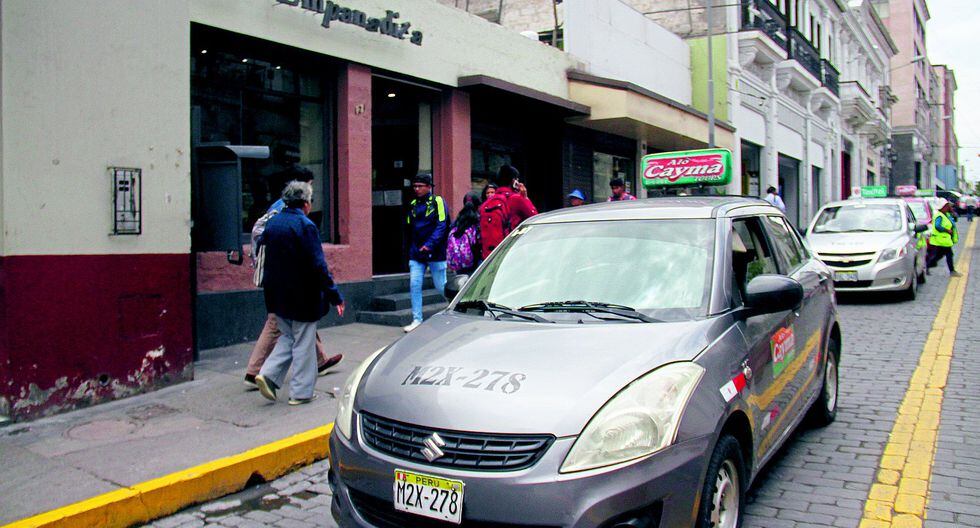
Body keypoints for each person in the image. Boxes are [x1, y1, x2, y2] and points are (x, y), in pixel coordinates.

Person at [245, 172, 341, 390]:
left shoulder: (273, 221)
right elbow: (318, 264)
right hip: (300, 291)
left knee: (290, 335)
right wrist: (334, 295)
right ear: (305, 202)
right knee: (299, 337)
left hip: (276, 288)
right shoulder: (304, 225)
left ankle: (269, 375)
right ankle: (294, 389)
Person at [404, 172, 450, 333]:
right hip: (417, 253)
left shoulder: (438, 201)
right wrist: (411, 248)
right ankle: (417, 319)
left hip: (435, 252)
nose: (416, 189)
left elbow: (442, 225)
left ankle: (456, 310)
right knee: (414, 284)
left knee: (441, 286)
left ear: (429, 187)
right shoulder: (413, 204)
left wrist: (430, 244)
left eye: (420, 186)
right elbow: (409, 228)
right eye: (414, 186)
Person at [479, 165, 538, 258]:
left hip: (490, 256)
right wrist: (525, 197)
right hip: (512, 252)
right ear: (514, 181)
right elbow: (535, 218)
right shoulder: (517, 199)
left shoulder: (486, 203)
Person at [446, 191, 483, 276]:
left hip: (458, 262)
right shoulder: (477, 219)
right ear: (478, 204)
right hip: (474, 260)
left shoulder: (458, 219)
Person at [926, 198, 962, 277]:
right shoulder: (939, 216)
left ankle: (927, 266)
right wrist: (947, 230)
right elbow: (937, 226)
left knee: (938, 256)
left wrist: (951, 211)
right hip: (941, 240)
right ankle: (952, 271)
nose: (948, 207)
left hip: (943, 240)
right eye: (947, 206)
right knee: (948, 255)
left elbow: (954, 219)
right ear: (943, 207)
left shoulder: (945, 215)